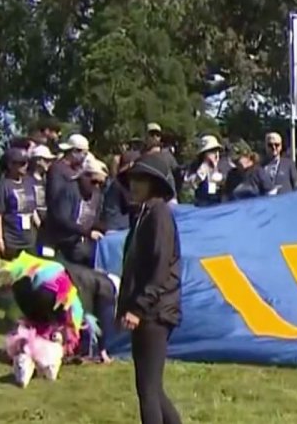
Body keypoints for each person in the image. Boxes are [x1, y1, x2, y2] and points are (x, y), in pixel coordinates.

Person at [118, 153, 183, 424]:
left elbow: (158, 268)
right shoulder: (145, 213)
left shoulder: (159, 215)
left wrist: (137, 307)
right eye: (132, 179)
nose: (134, 185)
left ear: (154, 184)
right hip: (150, 310)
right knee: (152, 388)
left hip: (155, 312)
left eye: (141, 180)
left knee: (147, 390)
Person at [0, 148, 39, 261]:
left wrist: (40, 227)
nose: (25, 166)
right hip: (12, 239)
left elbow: (33, 209)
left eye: (26, 163)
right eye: (21, 163)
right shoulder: (3, 186)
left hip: (29, 238)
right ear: (10, 165)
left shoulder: (28, 183)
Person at [189, 136, 227, 205]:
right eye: (212, 151)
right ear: (204, 153)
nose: (216, 154)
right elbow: (189, 186)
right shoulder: (196, 167)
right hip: (202, 205)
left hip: (219, 205)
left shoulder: (224, 165)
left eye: (217, 150)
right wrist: (200, 174)